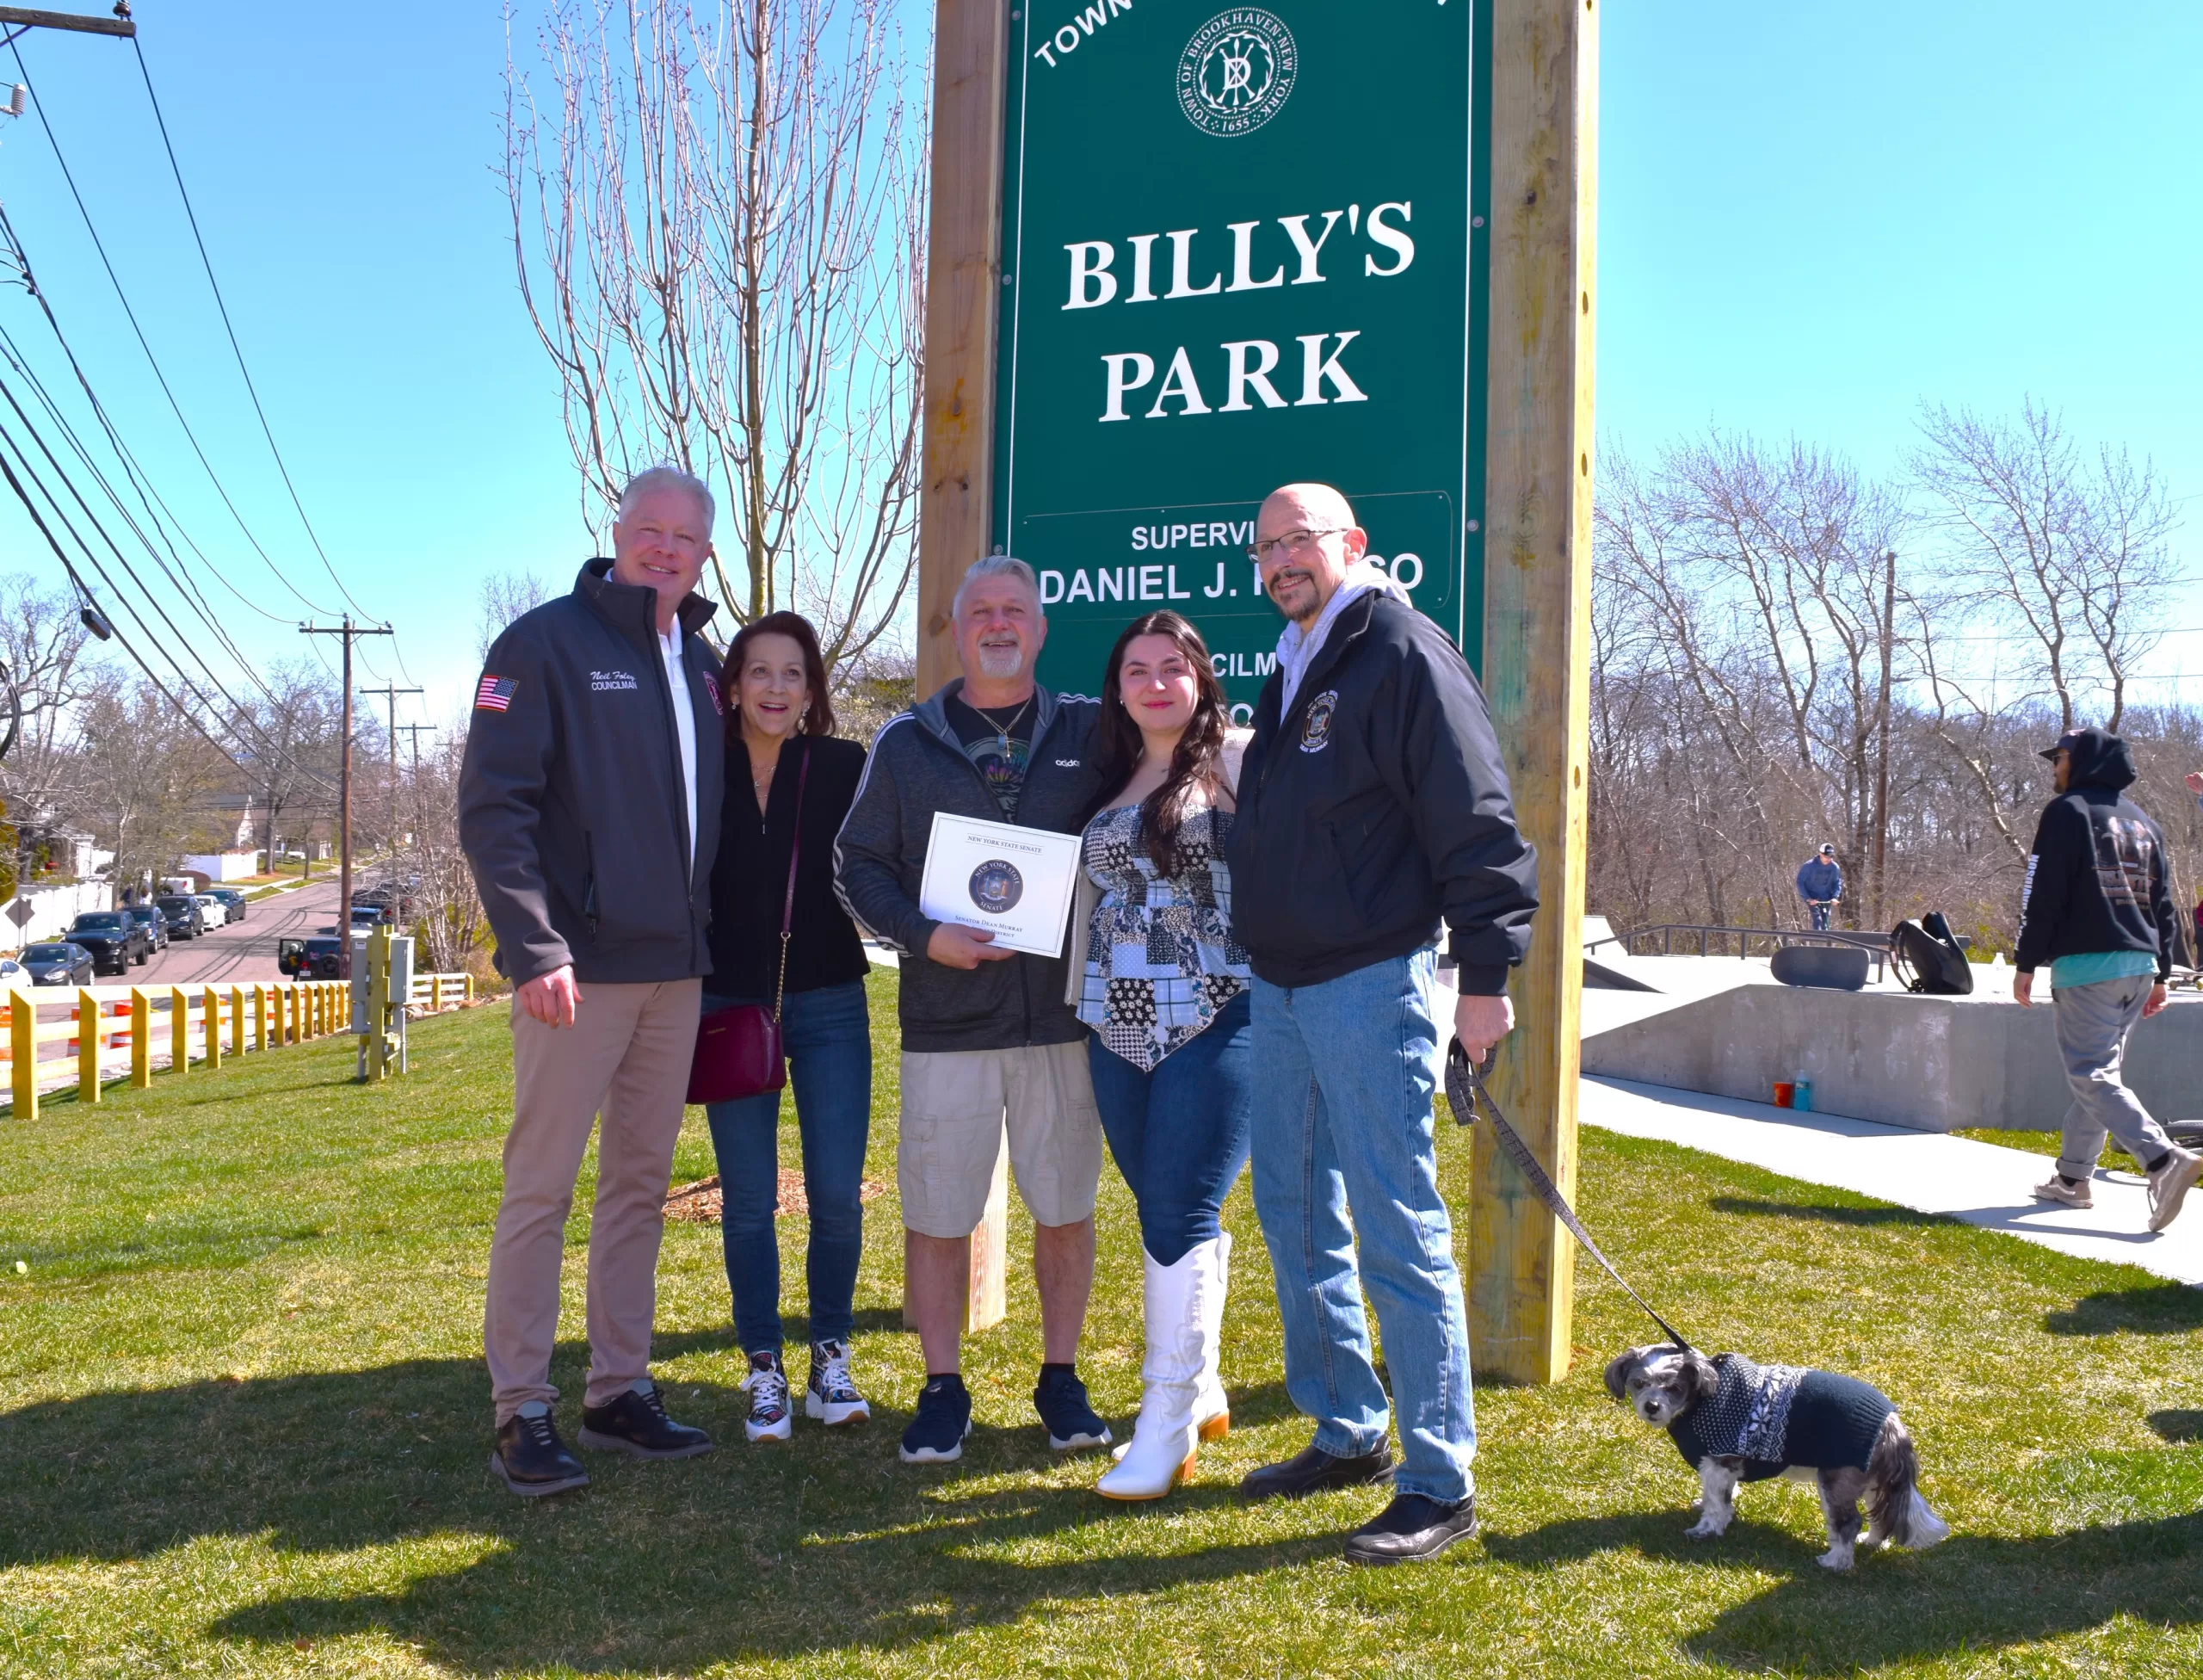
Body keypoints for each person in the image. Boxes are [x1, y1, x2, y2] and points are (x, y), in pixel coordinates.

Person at [1226, 482, 1539, 1565]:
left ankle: (1438, 1478)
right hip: (1278, 986)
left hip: (1371, 983)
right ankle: (1346, 1426)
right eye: (1264, 548)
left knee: (1397, 1227)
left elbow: (1476, 814)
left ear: (1350, 544)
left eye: (1297, 541)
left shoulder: (1399, 648)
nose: (1279, 562)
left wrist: (1488, 975)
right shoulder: (1293, 662)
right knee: (1295, 1215)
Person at [459, 465, 725, 1496]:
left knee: (638, 1191)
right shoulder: (543, 644)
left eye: (685, 537)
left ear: (705, 552)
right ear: (616, 531)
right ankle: (520, 1409)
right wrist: (534, 946)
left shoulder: (698, 658)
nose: (664, 549)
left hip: (676, 969)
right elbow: (494, 810)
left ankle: (618, 1389)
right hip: (577, 969)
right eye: (647, 530)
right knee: (541, 1189)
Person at [834, 555, 1112, 1465]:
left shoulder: (1087, 731)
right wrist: (923, 934)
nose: (998, 623)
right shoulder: (908, 743)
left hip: (1061, 1020)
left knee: (1066, 1206)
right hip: (947, 1022)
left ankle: (1059, 1377)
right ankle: (942, 1385)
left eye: (1014, 610)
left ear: (1038, 628)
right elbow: (857, 863)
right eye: (980, 611)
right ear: (956, 632)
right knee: (939, 1212)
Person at [1071, 612, 1251, 1501]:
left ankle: (1164, 1419)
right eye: (1135, 669)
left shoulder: (1237, 761)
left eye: (1171, 668)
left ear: (1201, 678)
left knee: (1179, 1206)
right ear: (1117, 687)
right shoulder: (1114, 772)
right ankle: (1206, 1383)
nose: (1153, 682)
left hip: (1216, 1013)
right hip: (1114, 1018)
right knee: (1163, 1205)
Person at [704, 612, 875, 1442]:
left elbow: (891, 858)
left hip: (834, 1000)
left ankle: (830, 1360)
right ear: (732, 684)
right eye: (760, 672)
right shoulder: (700, 766)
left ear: (812, 691)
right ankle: (763, 1367)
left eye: (793, 674)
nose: (776, 688)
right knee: (747, 1201)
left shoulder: (844, 766)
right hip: (731, 1005)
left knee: (837, 1195)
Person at [2017, 728, 2200, 1231]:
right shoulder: (2144, 822)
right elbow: (2162, 904)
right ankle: (2073, 1179)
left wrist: (2026, 960)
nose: (2054, 766)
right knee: (2102, 1077)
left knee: (2090, 1073)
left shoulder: (2066, 812)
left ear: (2083, 761)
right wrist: (2161, 972)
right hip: (2139, 965)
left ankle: (2162, 1160)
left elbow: (2043, 890)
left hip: (2087, 965)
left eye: (2060, 757)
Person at [1796, 844, 1842, 932]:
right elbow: (1800, 882)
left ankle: (1827, 942)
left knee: (1826, 920)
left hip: (1827, 898)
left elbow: (1837, 882)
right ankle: (1818, 941)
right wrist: (1808, 898)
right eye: (1826, 856)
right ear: (1820, 854)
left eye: (1831, 856)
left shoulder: (1834, 867)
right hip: (1813, 898)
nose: (1828, 859)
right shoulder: (1808, 866)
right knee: (1817, 919)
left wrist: (1835, 897)